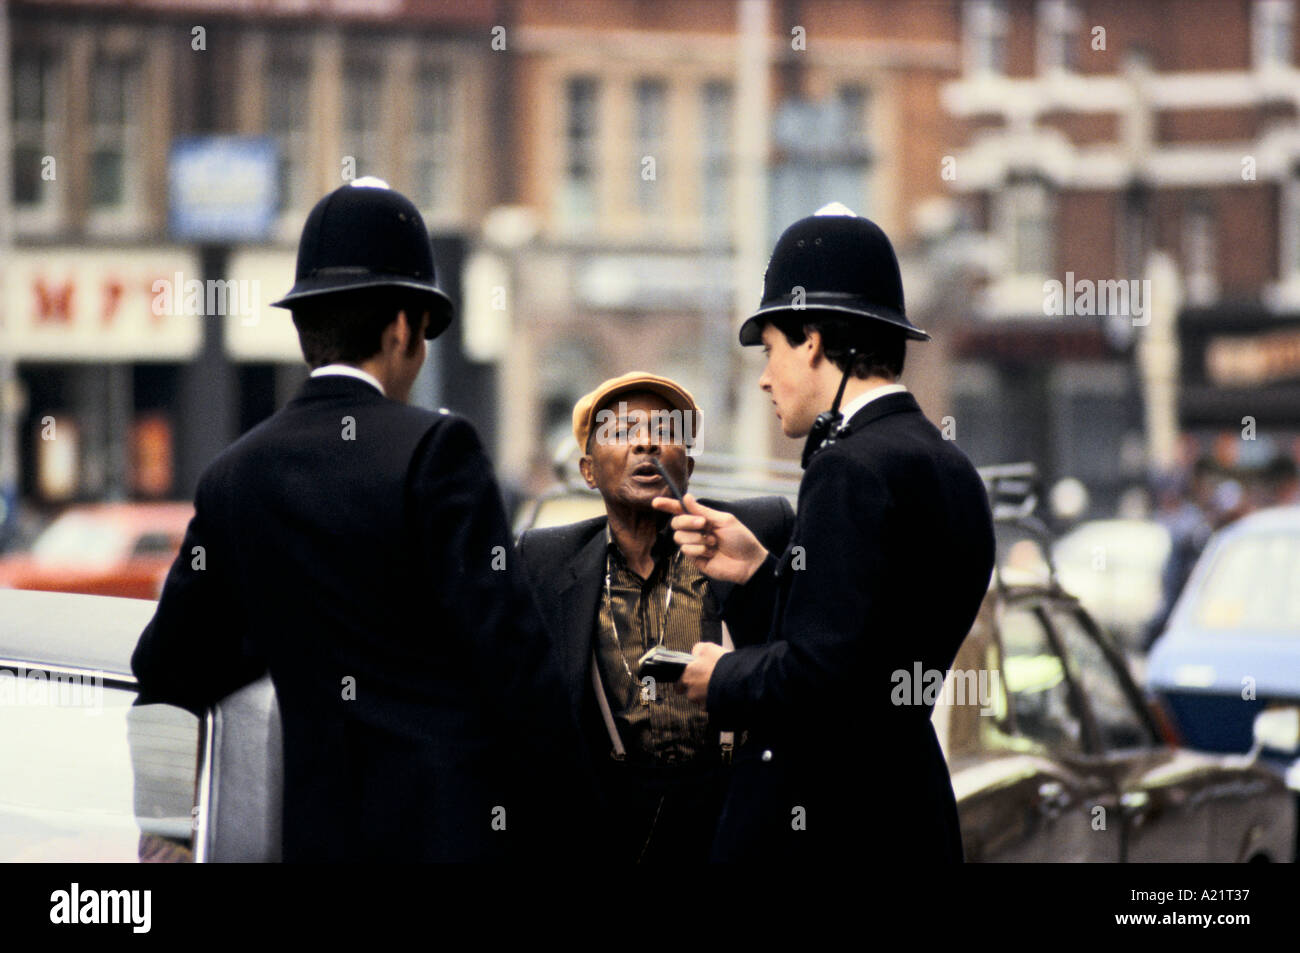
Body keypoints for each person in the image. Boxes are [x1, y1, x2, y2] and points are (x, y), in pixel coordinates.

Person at [131, 179, 589, 862]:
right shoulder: (439, 452)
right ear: (402, 328)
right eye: (424, 333)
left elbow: (166, 671)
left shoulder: (234, 476)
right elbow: (518, 673)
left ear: (304, 328)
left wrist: (166, 824)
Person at [654, 204, 996, 863]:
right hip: (908, 811)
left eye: (771, 347)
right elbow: (863, 648)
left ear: (812, 340)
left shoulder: (849, 466)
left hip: (831, 826)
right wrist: (761, 574)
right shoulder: (952, 468)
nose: (763, 376)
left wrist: (720, 674)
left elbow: (823, 681)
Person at [515, 372, 793, 862]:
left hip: (734, 808)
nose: (646, 441)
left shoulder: (755, 529)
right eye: (621, 432)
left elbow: (808, 650)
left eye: (666, 430)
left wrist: (761, 574)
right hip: (613, 818)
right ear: (587, 471)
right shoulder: (546, 558)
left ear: (687, 462)